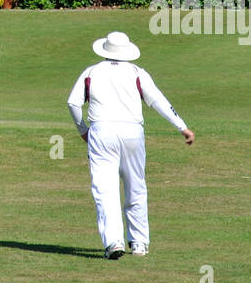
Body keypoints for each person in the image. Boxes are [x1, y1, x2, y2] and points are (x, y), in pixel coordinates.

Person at [66, 30, 195, 259]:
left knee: (104, 189)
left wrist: (82, 130)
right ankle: (139, 243)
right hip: (133, 132)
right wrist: (181, 126)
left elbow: (73, 103)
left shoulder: (92, 72)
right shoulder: (137, 72)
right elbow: (158, 101)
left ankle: (113, 242)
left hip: (101, 132)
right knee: (136, 186)